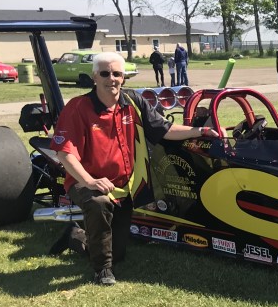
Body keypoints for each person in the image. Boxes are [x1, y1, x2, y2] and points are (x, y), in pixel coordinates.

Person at [51, 52, 217, 286]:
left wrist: (199, 131)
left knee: (117, 253)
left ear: (124, 78)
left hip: (122, 185)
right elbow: (64, 153)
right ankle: (102, 271)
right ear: (94, 77)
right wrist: (90, 181)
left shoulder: (134, 102)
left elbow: (165, 129)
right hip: (85, 181)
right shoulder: (77, 107)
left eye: (117, 74)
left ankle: (75, 236)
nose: (112, 79)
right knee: (99, 204)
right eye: (105, 73)